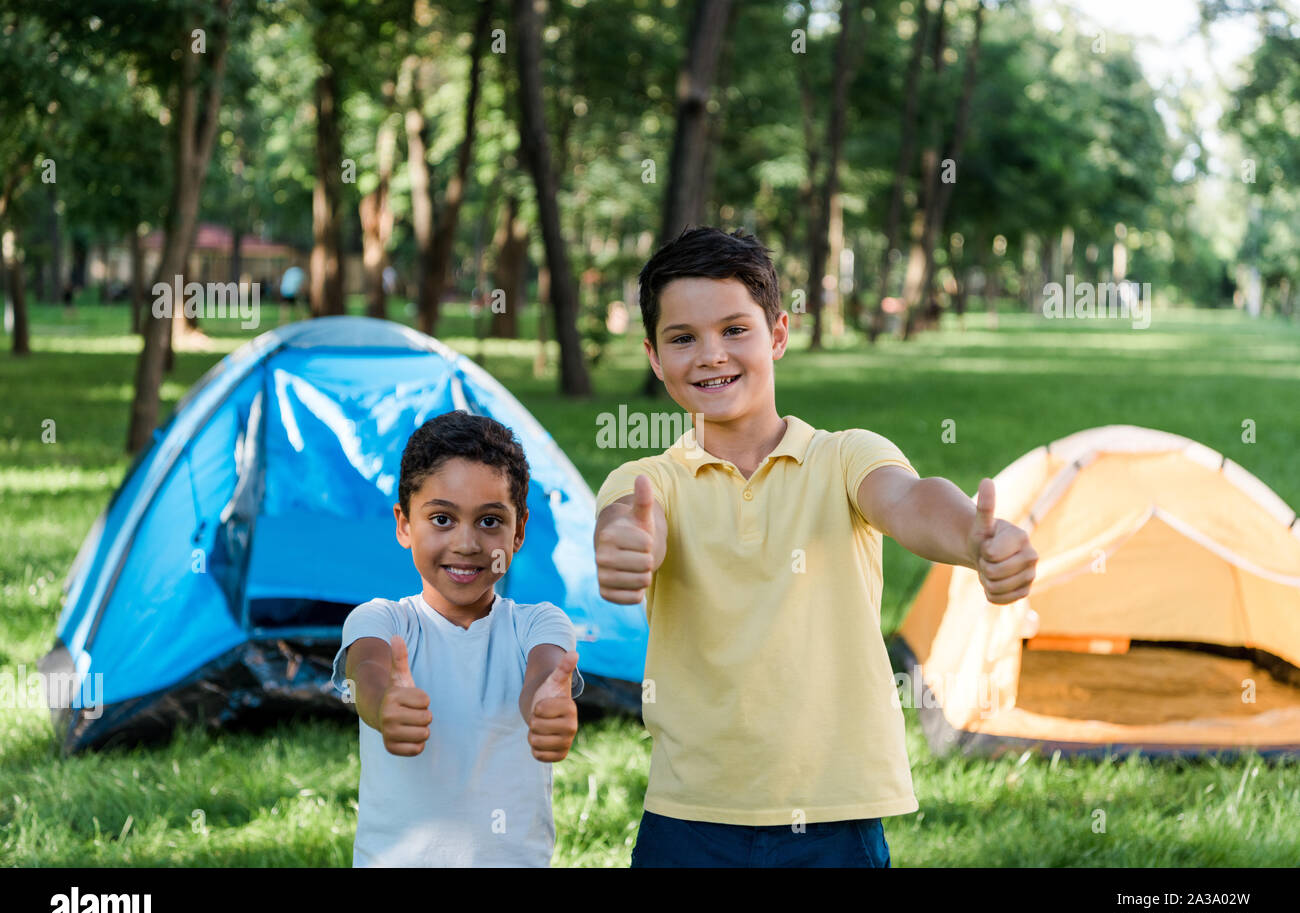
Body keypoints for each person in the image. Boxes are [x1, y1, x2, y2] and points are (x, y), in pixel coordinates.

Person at [593, 227, 1038, 867]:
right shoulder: (648, 482)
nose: (710, 354)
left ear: (778, 334)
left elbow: (911, 500)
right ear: (655, 357)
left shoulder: (843, 456)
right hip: (688, 816)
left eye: (734, 329)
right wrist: (624, 545)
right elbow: (629, 524)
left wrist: (974, 536)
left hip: (834, 817)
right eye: (683, 338)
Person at [333, 410, 584, 867]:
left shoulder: (540, 624)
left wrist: (546, 706)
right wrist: (383, 702)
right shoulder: (379, 620)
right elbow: (367, 670)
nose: (467, 543)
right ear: (405, 524)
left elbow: (543, 677)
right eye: (442, 519)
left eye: (489, 522)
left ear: (519, 531)